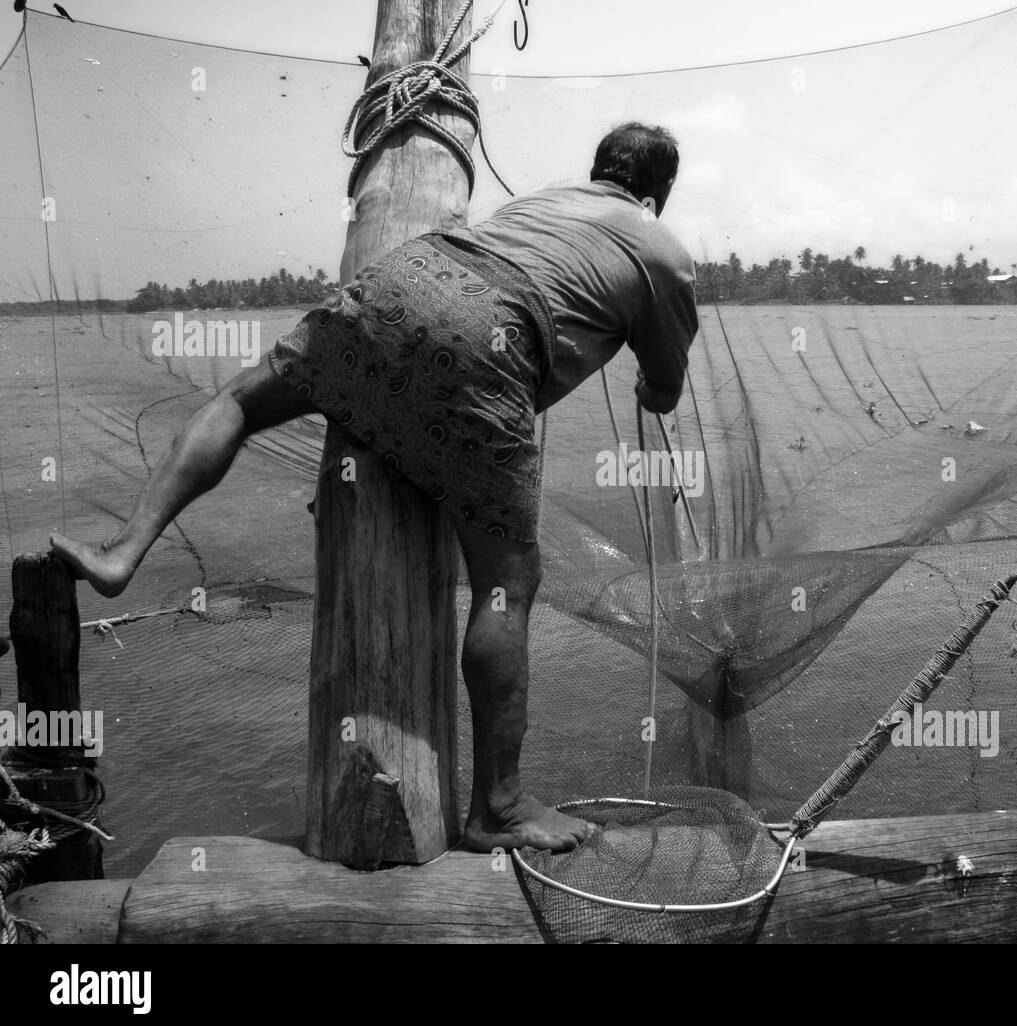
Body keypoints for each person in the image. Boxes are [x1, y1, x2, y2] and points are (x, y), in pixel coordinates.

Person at [50, 122, 699, 853]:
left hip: (401, 281)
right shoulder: (663, 252)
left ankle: (121, 552)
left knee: (237, 400)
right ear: (659, 191)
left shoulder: (549, 201)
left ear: (599, 168)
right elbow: (666, 389)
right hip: (489, 334)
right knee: (505, 587)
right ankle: (501, 808)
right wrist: (649, 377)